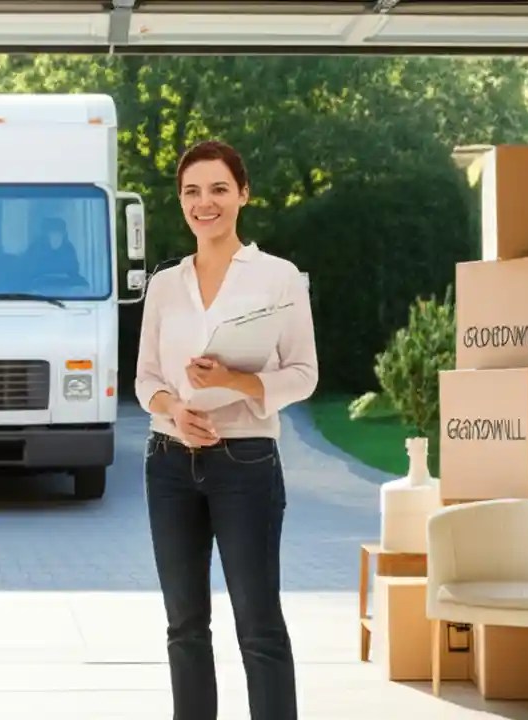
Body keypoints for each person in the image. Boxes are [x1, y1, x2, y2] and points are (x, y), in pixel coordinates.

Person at [135, 139, 319, 720]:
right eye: (192, 191)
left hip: (246, 465)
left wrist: (238, 382)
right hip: (169, 462)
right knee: (184, 626)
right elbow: (144, 379)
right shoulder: (165, 284)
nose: (204, 202)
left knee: (258, 624)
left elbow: (305, 374)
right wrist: (172, 408)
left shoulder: (278, 278)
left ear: (243, 194)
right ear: (181, 201)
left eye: (218, 189)